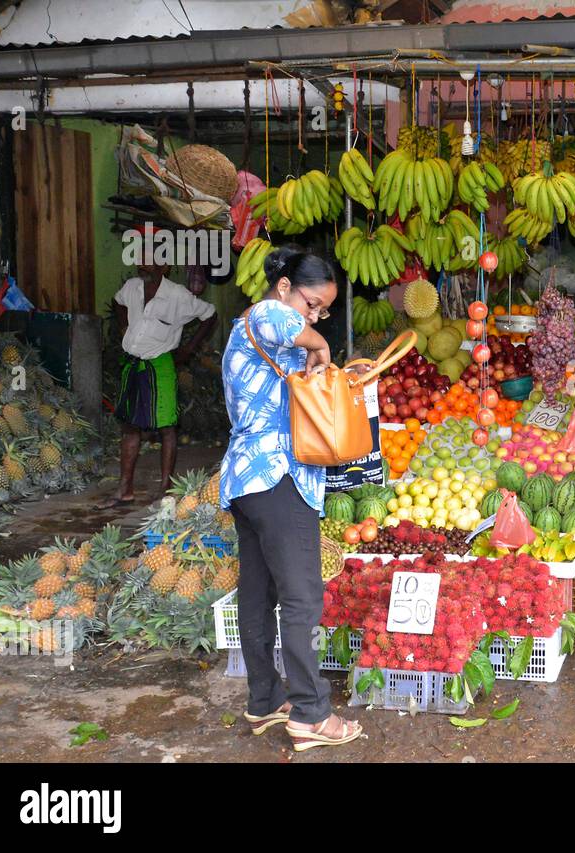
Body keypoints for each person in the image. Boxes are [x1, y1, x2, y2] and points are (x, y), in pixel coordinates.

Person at [220, 247, 362, 752]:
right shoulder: (263, 314)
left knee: (258, 594)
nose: (316, 316)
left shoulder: (262, 337)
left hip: (248, 482)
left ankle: (264, 700)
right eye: (312, 304)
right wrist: (320, 342)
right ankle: (311, 713)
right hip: (278, 478)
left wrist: (326, 361)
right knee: (302, 597)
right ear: (284, 288)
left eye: (324, 310)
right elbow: (279, 320)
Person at [100, 244, 217, 508]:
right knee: (130, 426)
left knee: (166, 428)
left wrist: (189, 347)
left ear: (164, 267)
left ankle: (166, 489)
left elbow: (210, 314)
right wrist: (123, 325)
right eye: (141, 261)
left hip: (161, 363)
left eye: (149, 262)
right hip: (132, 363)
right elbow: (118, 302)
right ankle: (124, 489)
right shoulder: (131, 287)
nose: (143, 266)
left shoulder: (178, 295)